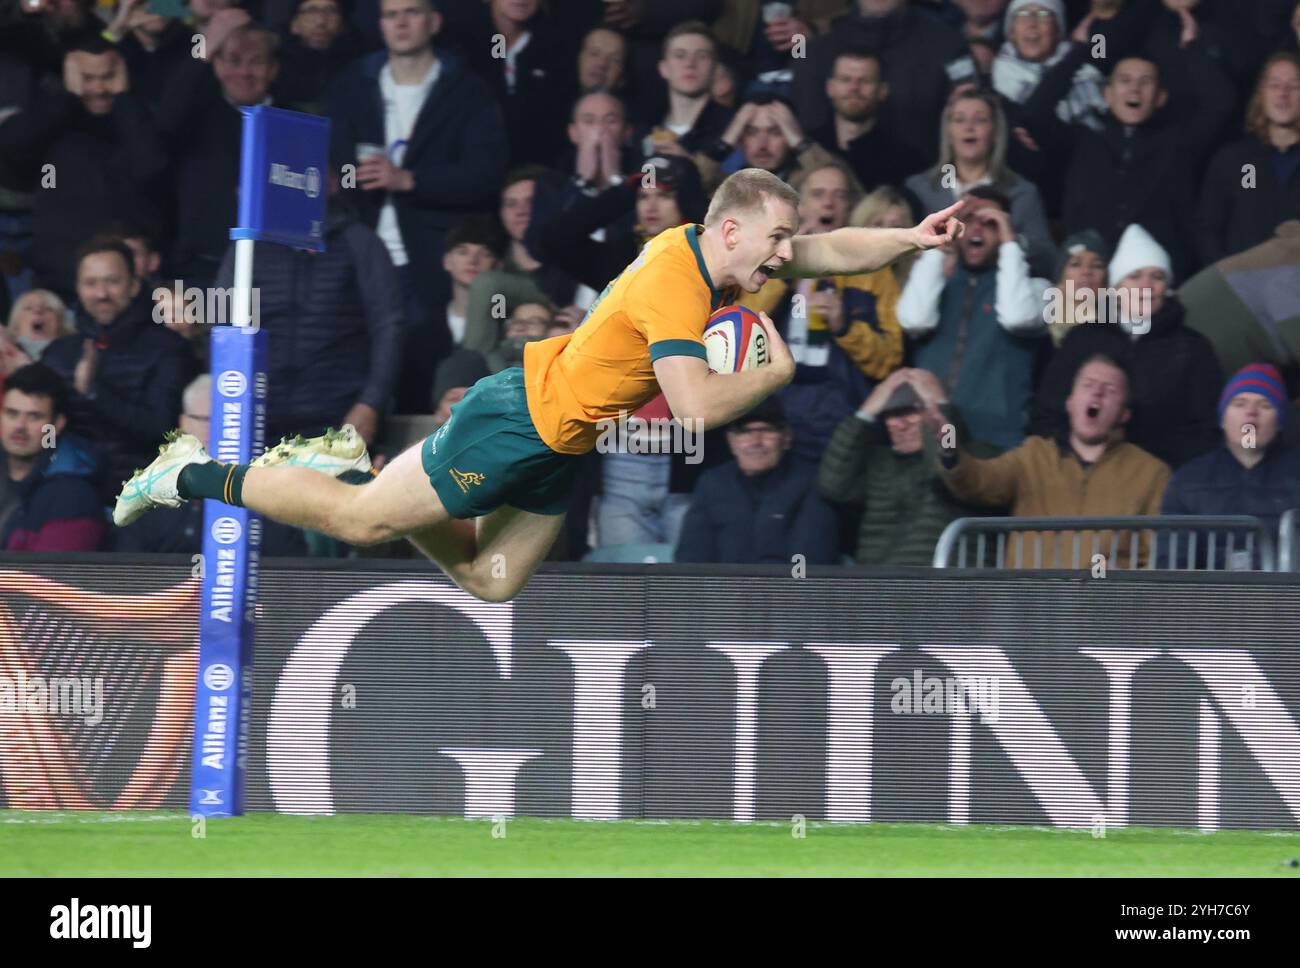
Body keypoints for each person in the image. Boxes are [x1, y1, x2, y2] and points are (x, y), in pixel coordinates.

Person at [113, 168, 967, 602]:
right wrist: (771, 374)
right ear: (734, 227)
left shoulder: (715, 254)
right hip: (520, 419)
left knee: (490, 583)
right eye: (778, 239)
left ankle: (355, 468)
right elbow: (700, 410)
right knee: (360, 523)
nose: (790, 256)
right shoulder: (676, 284)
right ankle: (187, 471)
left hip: (565, 440)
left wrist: (913, 240)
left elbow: (829, 248)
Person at [327, 0, 508, 331]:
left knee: (422, 366)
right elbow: (334, 164)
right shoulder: (352, 85)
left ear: (434, 22)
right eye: (391, 15)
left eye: (411, 12)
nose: (401, 22)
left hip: (432, 260)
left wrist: (410, 179)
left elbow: (486, 175)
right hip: (360, 258)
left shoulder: (468, 92)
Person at [932, 351, 1171, 568]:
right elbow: (981, 481)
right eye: (1088, 385)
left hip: (1103, 610)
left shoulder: (1151, 473)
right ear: (1070, 402)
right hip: (1029, 605)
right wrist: (951, 450)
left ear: (1124, 413)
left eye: (1109, 390)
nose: (1097, 392)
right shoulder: (1033, 455)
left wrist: (1122, 579)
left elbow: (1157, 556)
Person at [742, 159, 904, 462]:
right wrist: (784, 265)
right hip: (778, 414)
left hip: (842, 417)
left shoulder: (873, 269)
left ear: (851, 207)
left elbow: (888, 360)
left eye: (839, 195)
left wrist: (846, 327)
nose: (828, 202)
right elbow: (740, 331)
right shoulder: (765, 260)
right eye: (817, 194)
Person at [1029, 223, 1223, 469]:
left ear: (1168, 288)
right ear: (1117, 287)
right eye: (1134, 276)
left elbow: (1207, 430)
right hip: (1077, 476)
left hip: (1163, 481)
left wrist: (1143, 467)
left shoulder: (1194, 348)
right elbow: (1046, 415)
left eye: (1157, 277)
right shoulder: (1082, 340)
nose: (1146, 286)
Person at [899, 185, 1048, 452]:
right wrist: (939, 242)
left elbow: (1017, 317)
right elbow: (914, 321)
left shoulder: (1036, 289)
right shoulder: (936, 283)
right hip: (931, 433)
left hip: (995, 440)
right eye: (967, 220)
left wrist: (1010, 242)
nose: (977, 229)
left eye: (989, 222)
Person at [43, 237, 188, 503]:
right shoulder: (58, 354)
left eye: (112, 281)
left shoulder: (168, 349)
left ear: (134, 285)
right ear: (77, 288)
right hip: (68, 498)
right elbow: (44, 432)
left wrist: (94, 392)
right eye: (91, 283)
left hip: (142, 502)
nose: (101, 294)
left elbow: (162, 429)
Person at [113, 374, 307, 555]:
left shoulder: (267, 487)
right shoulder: (153, 485)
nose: (215, 428)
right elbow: (128, 570)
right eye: (205, 419)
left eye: (225, 420)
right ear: (184, 423)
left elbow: (289, 564)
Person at [817, 367, 985, 567]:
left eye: (910, 413)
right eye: (890, 415)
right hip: (878, 587)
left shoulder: (979, 457)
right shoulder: (878, 462)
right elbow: (832, 485)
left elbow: (948, 467)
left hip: (942, 588)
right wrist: (865, 413)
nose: (898, 424)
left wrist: (941, 411)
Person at [904, 86, 1056, 277]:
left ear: (994, 132)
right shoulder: (919, 188)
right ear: (948, 132)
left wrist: (1009, 238)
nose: (969, 127)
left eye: (980, 120)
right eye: (959, 119)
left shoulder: (1022, 192)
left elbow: (1048, 260)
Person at [1160, 363, 1300, 568]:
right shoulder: (1187, 480)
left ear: (1280, 422)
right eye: (1239, 403)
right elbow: (1169, 565)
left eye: (1265, 405)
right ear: (1222, 419)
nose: (1251, 413)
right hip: (1206, 598)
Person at [674, 397, 839, 564]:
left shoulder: (811, 483)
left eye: (767, 431)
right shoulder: (712, 484)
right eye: (745, 432)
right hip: (723, 588)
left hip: (786, 588)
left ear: (786, 438)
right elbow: (691, 560)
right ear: (731, 442)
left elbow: (810, 564)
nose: (756, 441)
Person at [1196, 53, 1300, 265]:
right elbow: (1207, 230)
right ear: (1261, 94)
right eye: (1274, 85)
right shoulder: (1235, 159)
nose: (1283, 93)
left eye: (1294, 86)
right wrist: (1229, 281)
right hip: (1245, 290)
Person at [0, 362, 104, 552]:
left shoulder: (74, 496)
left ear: (57, 425)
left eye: (34, 417)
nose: (20, 426)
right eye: (11, 413)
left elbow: (47, 578)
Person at [808, 48, 925, 193]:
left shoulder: (906, 160)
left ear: (883, 91)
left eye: (865, 81)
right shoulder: (810, 143)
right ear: (830, 87)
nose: (854, 88)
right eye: (846, 79)